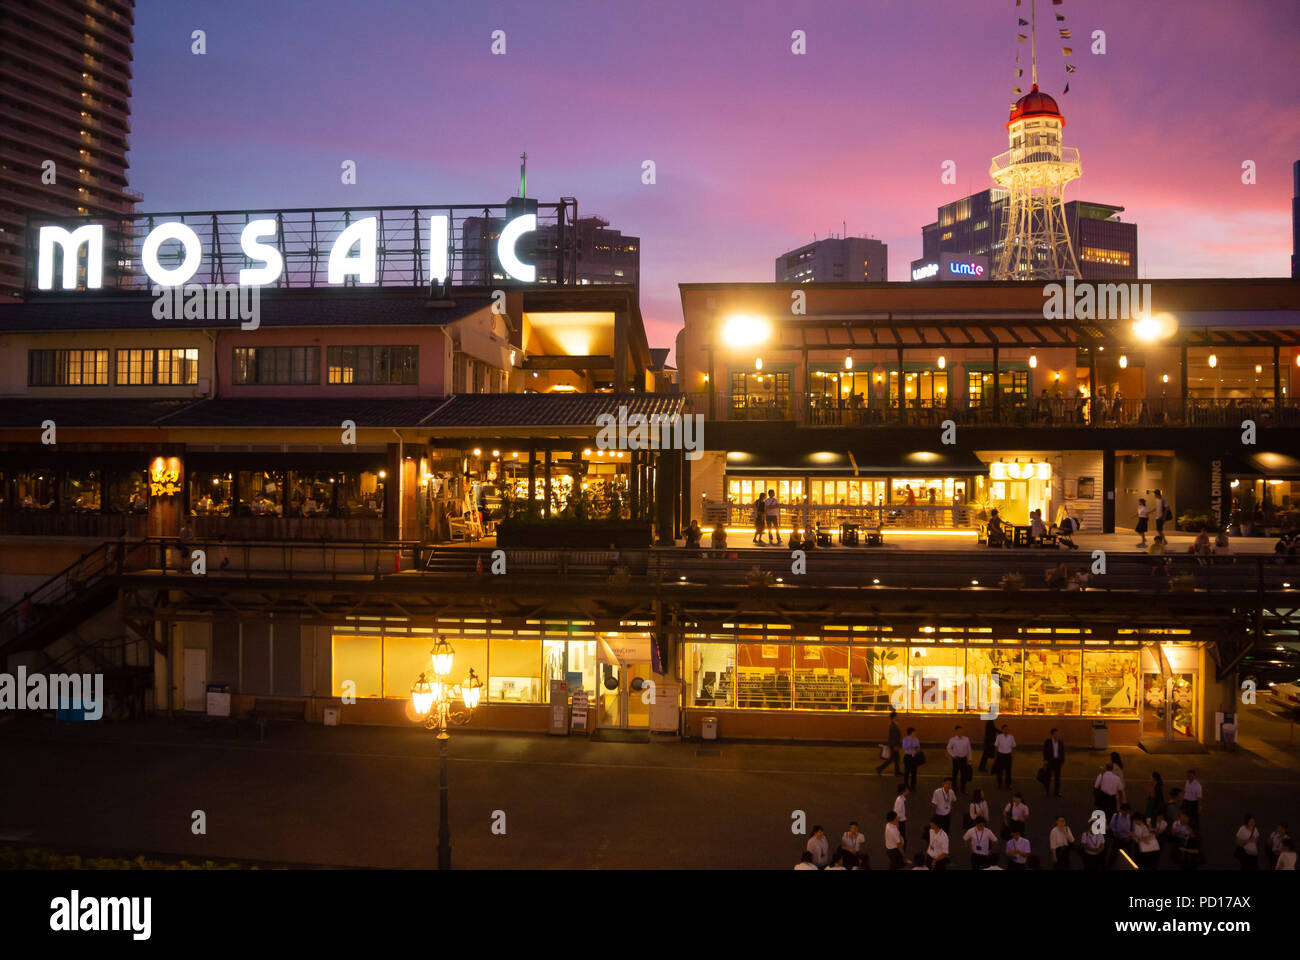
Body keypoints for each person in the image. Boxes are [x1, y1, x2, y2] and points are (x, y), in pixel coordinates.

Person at [946, 724, 972, 793]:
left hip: (964, 759)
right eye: (959, 731)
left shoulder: (966, 739)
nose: (960, 732)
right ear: (956, 731)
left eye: (961, 730)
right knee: (955, 774)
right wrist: (953, 755)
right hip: (956, 759)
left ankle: (963, 789)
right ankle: (954, 789)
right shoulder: (952, 740)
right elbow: (948, 748)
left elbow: (969, 749)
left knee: (964, 775)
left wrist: (970, 759)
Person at [876, 708, 902, 776]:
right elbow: (893, 736)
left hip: (894, 744)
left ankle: (897, 771)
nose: (898, 717)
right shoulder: (893, 725)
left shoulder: (893, 724)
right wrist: (895, 745)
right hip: (894, 744)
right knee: (893, 758)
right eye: (896, 716)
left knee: (896, 758)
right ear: (894, 717)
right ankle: (880, 768)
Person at [1108, 803, 1134, 868]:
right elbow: (1112, 826)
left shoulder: (1130, 818)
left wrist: (1129, 836)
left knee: (1128, 856)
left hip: (1127, 839)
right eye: (1123, 811)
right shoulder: (1116, 816)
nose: (1124, 813)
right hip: (1118, 838)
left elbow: (1132, 829)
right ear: (1121, 810)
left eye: (1126, 811)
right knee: (1113, 854)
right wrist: (1116, 833)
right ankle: (1110, 866)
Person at [1041, 728, 1065, 797]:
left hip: (1057, 761)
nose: (1057, 735)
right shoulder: (1048, 742)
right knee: (1048, 777)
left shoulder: (1060, 742)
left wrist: (1062, 760)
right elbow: (1044, 751)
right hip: (1050, 761)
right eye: (1055, 734)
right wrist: (1045, 760)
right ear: (1052, 734)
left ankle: (1056, 792)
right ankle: (1047, 792)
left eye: (1058, 734)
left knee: (1057, 778)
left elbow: (1062, 751)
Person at [993, 723, 1016, 788]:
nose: (1007, 731)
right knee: (999, 771)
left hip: (1008, 756)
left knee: (1008, 771)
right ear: (1002, 730)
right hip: (1000, 756)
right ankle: (999, 784)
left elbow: (1013, 746)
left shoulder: (1011, 737)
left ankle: (1008, 784)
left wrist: (1012, 756)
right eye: (1005, 729)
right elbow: (996, 747)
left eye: (1007, 729)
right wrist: (996, 756)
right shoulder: (999, 737)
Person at [901, 726, 921, 791]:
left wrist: (917, 748)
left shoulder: (916, 739)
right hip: (908, 756)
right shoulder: (905, 739)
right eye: (914, 732)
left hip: (914, 756)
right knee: (907, 772)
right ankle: (906, 786)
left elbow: (918, 748)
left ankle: (913, 786)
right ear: (910, 733)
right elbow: (904, 747)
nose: (915, 733)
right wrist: (910, 742)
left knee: (914, 772)